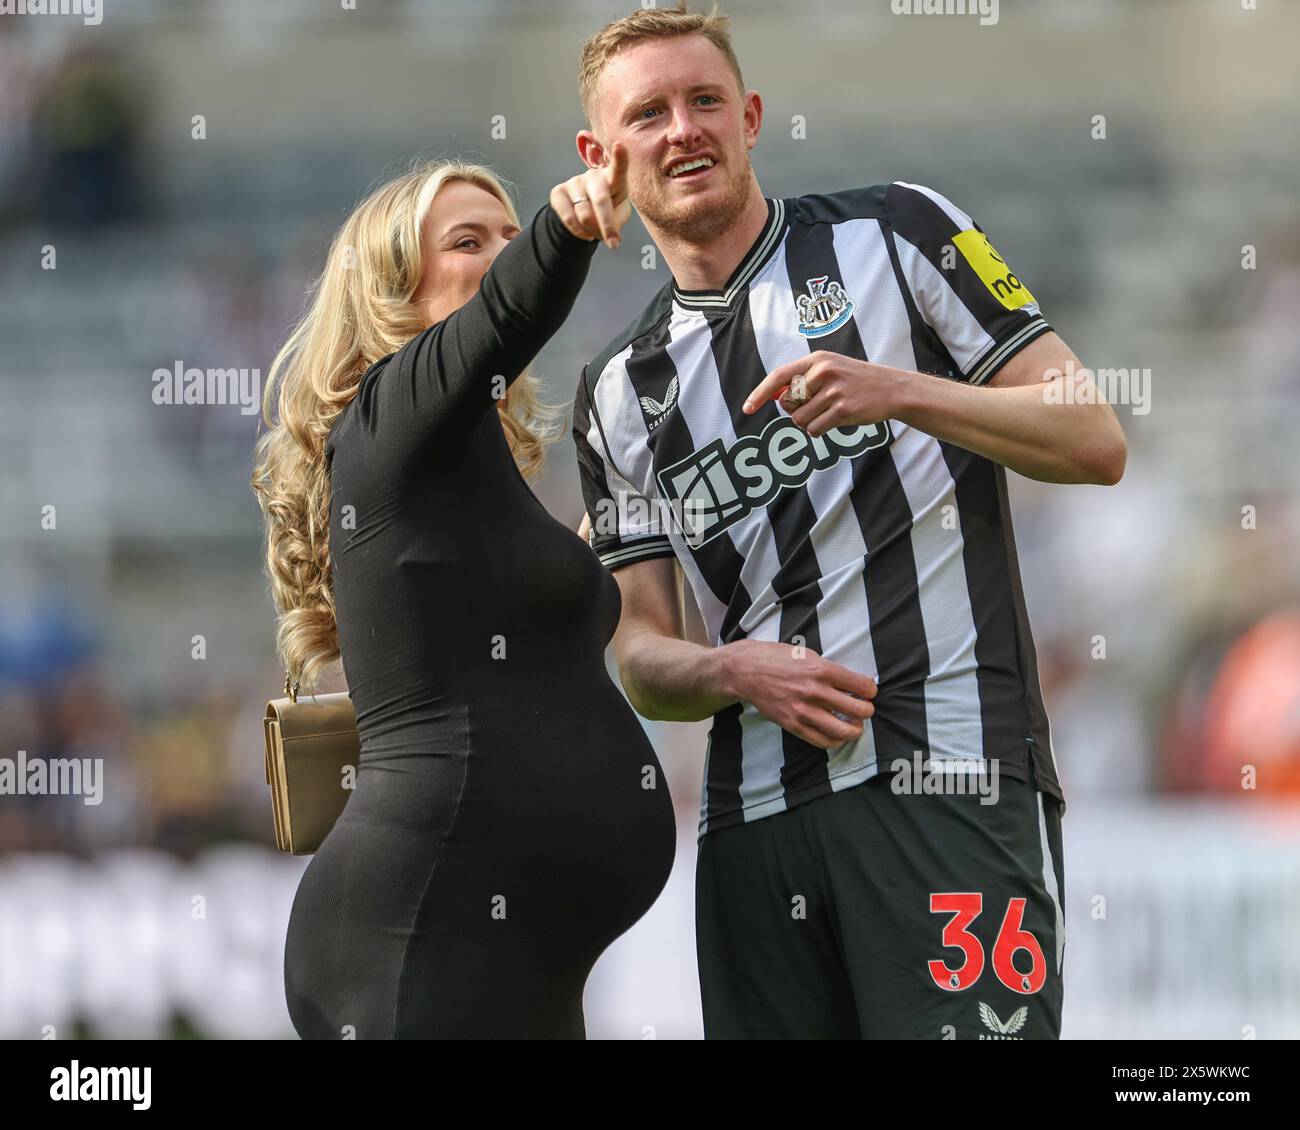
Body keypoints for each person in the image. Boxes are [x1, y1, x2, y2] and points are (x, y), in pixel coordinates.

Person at [570, 3, 1127, 1039]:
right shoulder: (612, 391)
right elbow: (642, 649)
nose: (682, 129)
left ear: (751, 116)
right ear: (601, 157)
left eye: (704, 101)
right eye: (648, 113)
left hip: (950, 770)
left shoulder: (895, 232)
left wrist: (904, 392)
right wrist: (729, 668)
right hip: (755, 822)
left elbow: (1091, 436)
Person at [251, 148, 676, 1038]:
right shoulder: (388, 409)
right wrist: (570, 222)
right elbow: (510, 308)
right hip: (417, 941)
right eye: (465, 241)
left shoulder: (464, 470)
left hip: (511, 961)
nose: (499, 253)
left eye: (510, 235)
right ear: (392, 291)